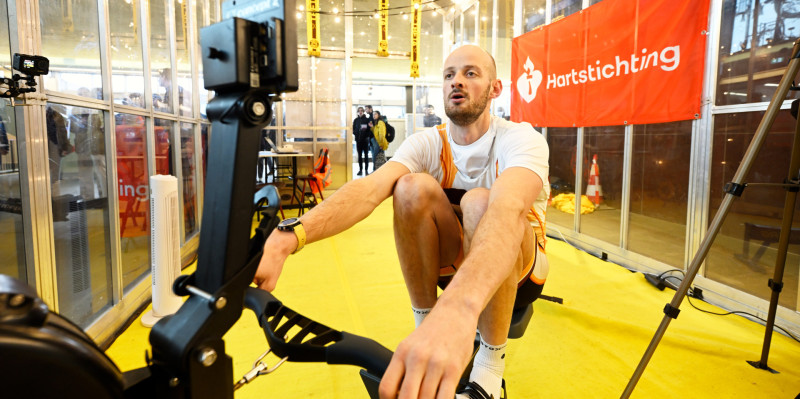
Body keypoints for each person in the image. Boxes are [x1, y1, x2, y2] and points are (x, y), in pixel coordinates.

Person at [255, 44, 550, 399]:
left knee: (480, 201)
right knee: (408, 187)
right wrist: (288, 237)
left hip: (519, 273)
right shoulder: (428, 142)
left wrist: (457, 311)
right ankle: (425, 328)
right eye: (449, 75)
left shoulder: (520, 139)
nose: (457, 81)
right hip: (456, 267)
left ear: (495, 88)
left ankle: (490, 370)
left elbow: (508, 211)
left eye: (471, 73)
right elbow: (368, 190)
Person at [46, 105, 72, 184]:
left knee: (55, 171)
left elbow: (62, 132)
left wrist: (65, 147)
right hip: (41, 144)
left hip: (54, 144)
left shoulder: (56, 115)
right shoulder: (37, 114)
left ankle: (54, 193)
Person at [352, 106, 371, 176]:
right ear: (357, 112)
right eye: (359, 111)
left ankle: (366, 170)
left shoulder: (367, 119)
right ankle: (360, 170)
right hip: (358, 140)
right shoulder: (356, 120)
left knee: (366, 156)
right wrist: (356, 134)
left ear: (363, 111)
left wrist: (366, 136)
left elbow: (369, 130)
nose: (360, 112)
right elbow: (353, 130)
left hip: (365, 141)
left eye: (361, 110)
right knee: (359, 156)